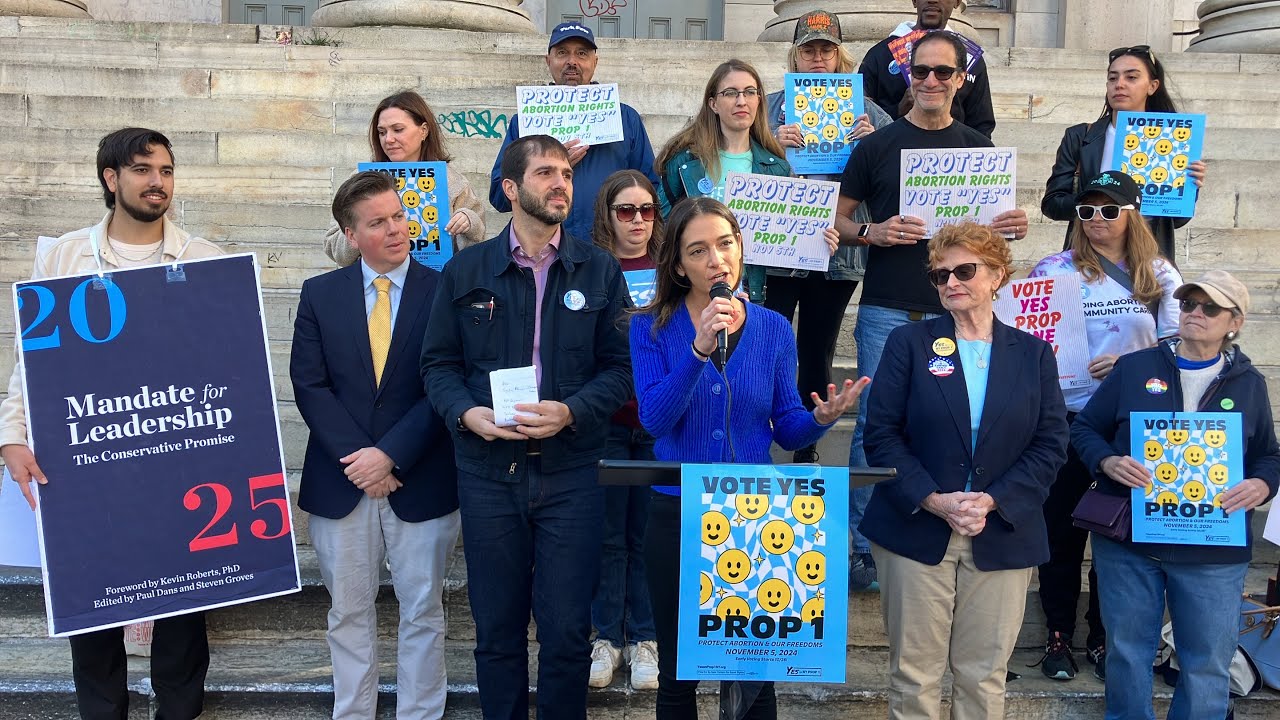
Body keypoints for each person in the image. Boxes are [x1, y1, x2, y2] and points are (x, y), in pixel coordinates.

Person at [0, 127, 222, 719]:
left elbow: (226, 365)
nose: (159, 182)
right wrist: (12, 434)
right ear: (111, 178)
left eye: (167, 171)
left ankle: (179, 710)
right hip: (89, 450)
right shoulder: (63, 256)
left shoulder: (205, 260)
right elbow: (31, 357)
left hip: (177, 453)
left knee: (184, 598)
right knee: (92, 600)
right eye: (145, 170)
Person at [422, 134, 632, 720]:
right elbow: (437, 365)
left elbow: (621, 370)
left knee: (567, 634)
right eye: (545, 173)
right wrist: (467, 414)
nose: (561, 183)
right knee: (497, 633)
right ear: (511, 189)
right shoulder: (466, 270)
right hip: (489, 474)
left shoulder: (599, 269)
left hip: (572, 474)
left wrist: (573, 411)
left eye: (565, 173)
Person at [630, 197, 862, 719]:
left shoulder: (774, 328)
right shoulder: (650, 327)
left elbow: (785, 425)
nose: (716, 259)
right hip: (678, 510)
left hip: (753, 516)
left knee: (753, 675)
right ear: (678, 264)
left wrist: (823, 418)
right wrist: (697, 350)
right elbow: (655, 420)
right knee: (679, 674)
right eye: (699, 250)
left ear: (741, 247)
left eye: (725, 244)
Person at [835, 30, 1029, 590]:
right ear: (908, 76)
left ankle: (937, 525)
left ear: (961, 81)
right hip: (887, 308)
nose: (931, 82)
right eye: (921, 71)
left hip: (959, 314)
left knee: (947, 423)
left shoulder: (977, 148)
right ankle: (858, 546)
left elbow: (991, 242)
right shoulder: (876, 146)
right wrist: (874, 231)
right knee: (874, 422)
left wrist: (1011, 227)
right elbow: (841, 220)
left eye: (944, 73)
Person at [860, 222, 1068, 720]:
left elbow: (1051, 442)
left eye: (965, 270)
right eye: (940, 275)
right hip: (916, 526)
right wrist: (934, 499)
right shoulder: (908, 343)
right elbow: (881, 435)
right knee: (914, 674)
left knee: (983, 676)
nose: (951, 282)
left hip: (1001, 530)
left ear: (997, 274)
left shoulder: (1034, 353)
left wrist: (992, 499)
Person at [1071, 270, 1279, 720]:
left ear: (1234, 322)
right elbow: (1084, 429)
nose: (1195, 314)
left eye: (1209, 308)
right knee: (1126, 655)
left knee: (1206, 664)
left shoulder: (1249, 384)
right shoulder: (1134, 368)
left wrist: (1262, 485)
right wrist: (1107, 462)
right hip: (1130, 542)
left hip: (1213, 549)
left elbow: (1268, 457)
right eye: (1188, 304)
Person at [291, 170, 461, 720]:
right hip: (342, 482)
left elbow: (447, 382)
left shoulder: (445, 291)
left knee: (422, 611)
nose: (395, 229)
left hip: (422, 476)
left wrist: (390, 455)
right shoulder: (320, 294)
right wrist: (363, 461)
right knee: (348, 612)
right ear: (349, 232)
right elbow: (309, 386)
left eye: (399, 215)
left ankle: (420, 713)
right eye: (378, 222)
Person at [1026, 170, 1183, 682]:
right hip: (1066, 415)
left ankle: (1100, 634)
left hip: (1128, 420)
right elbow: (1030, 333)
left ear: (1132, 213)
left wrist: (1130, 363)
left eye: (1108, 210)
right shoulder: (1054, 265)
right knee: (1060, 531)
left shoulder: (1158, 275)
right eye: (1086, 211)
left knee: (1115, 535)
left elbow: (1183, 347)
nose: (1096, 220)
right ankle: (1056, 635)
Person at [765, 9, 892, 462]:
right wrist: (771, 142)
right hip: (778, 248)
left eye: (827, 50)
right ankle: (760, 432)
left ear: (841, 57)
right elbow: (738, 161)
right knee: (768, 342)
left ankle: (807, 449)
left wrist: (874, 141)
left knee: (817, 348)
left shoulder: (871, 112)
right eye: (809, 50)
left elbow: (894, 177)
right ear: (795, 56)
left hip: (837, 254)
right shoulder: (770, 107)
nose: (818, 59)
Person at [586, 170, 663, 690]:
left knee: (648, 538)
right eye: (626, 211)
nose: (637, 221)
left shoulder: (673, 268)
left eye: (647, 210)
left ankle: (646, 640)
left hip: (659, 421)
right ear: (606, 216)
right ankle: (604, 639)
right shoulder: (589, 268)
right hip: (607, 421)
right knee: (608, 536)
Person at [488, 22, 660, 245]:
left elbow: (652, 188)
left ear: (595, 62)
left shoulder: (625, 119)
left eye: (581, 53)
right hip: (546, 249)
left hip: (610, 250)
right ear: (548, 61)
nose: (572, 62)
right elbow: (499, 196)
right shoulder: (525, 122)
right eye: (562, 53)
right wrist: (552, 165)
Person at [1042, 44, 1207, 261]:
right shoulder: (1079, 136)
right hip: (1090, 258)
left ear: (1152, 86)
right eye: (1112, 78)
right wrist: (1098, 208)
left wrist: (1190, 189)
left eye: (1131, 77)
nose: (1119, 84)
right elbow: (1052, 204)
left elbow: (1176, 221)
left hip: (1147, 260)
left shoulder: (1174, 141)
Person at [654, 59, 789, 303]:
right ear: (713, 104)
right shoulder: (683, 162)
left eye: (750, 92)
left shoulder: (777, 167)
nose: (741, 101)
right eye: (730, 93)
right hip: (693, 291)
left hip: (752, 293)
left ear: (759, 100)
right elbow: (660, 227)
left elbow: (785, 237)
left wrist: (818, 241)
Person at [324, 90, 486, 266]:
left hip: (434, 286)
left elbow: (477, 253)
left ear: (423, 131)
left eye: (398, 130)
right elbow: (335, 249)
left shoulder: (452, 182)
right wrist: (359, 231)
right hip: (377, 287)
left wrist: (469, 222)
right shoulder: (359, 181)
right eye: (382, 132)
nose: (389, 139)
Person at [858, 0, 995, 138]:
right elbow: (859, 115)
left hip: (951, 154)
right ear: (914, 1)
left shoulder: (970, 59)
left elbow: (982, 126)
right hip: (891, 152)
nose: (932, 0)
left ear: (957, 2)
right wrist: (899, 109)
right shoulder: (880, 54)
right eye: (920, 71)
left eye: (943, 72)